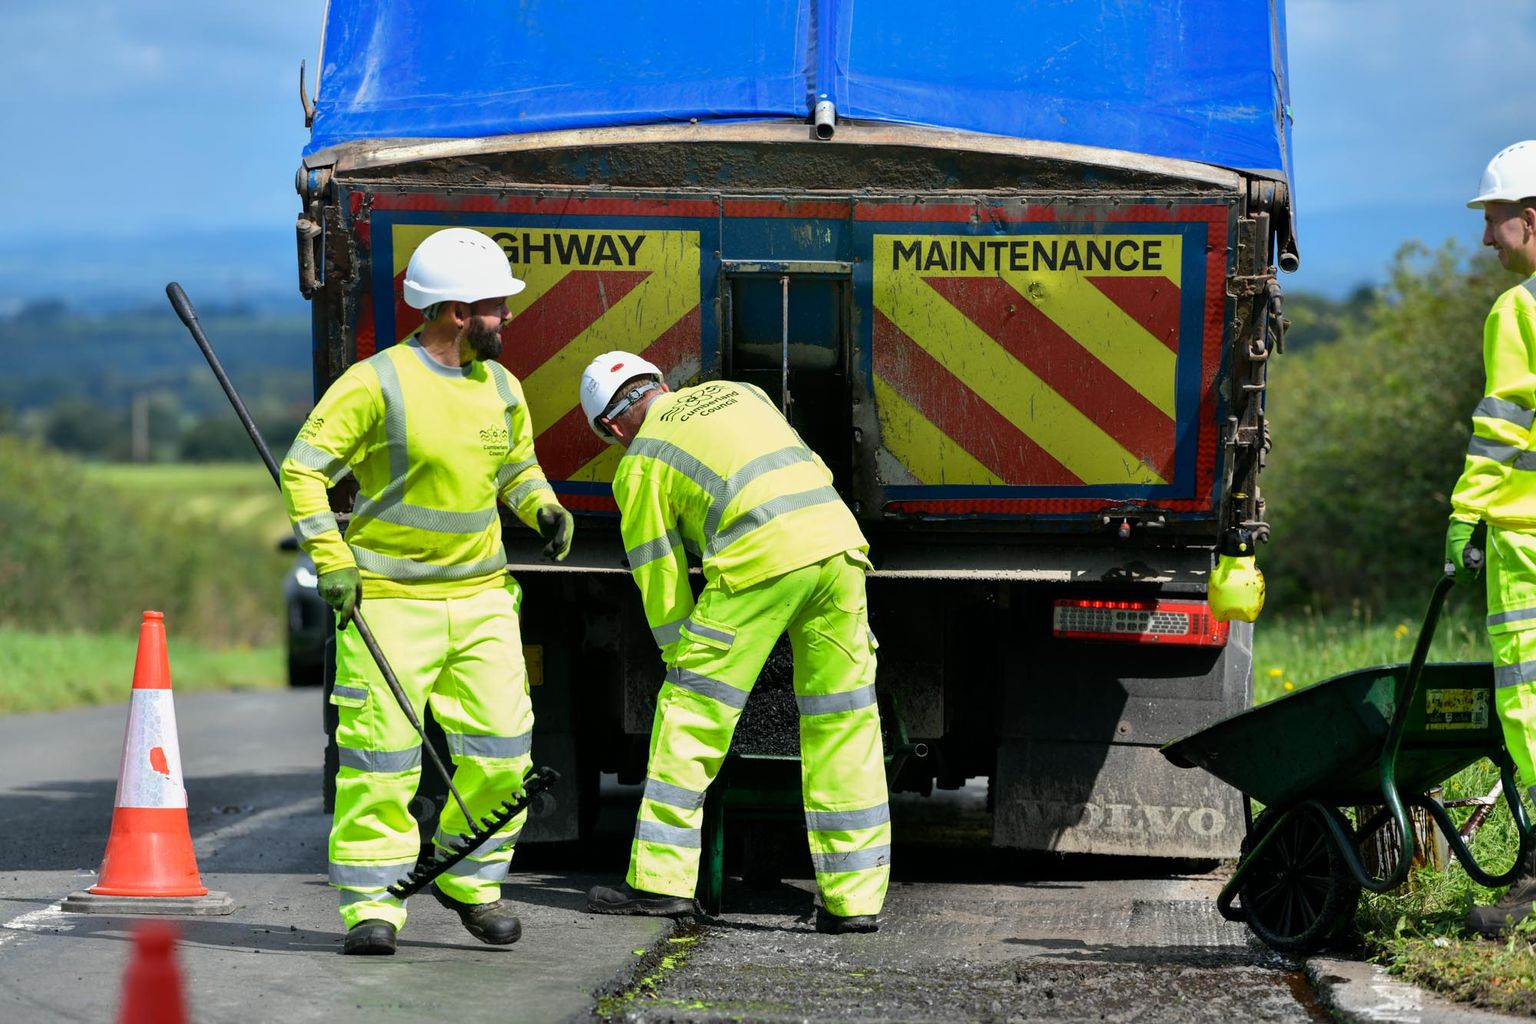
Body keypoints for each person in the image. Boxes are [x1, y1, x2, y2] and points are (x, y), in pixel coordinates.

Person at [280, 227, 574, 955]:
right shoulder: (376, 382)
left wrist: (542, 507)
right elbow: (303, 470)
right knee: (382, 758)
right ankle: (371, 906)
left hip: (480, 601)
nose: (507, 316)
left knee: (505, 751)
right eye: (496, 306)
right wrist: (332, 558)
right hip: (388, 600)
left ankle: (468, 880)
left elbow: (514, 467)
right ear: (452, 310)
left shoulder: (502, 386)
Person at [577, 352, 890, 933]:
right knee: (843, 722)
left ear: (612, 428)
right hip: (839, 548)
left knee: (689, 718)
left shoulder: (639, 462)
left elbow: (659, 575)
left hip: (760, 563)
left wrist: (683, 662)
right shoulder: (741, 393)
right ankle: (853, 902)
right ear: (662, 385)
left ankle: (659, 884)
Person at [1448, 141, 1536, 937]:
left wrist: (1466, 515)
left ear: (1533, 222)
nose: (1487, 240)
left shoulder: (1522, 311)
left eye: (1496, 222)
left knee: (1531, 699)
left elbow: (1503, 424)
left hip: (1528, 542)